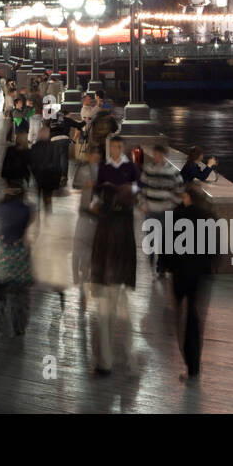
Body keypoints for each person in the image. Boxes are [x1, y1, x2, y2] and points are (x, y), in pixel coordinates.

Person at [88, 134, 139, 374]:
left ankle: (106, 362)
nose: (115, 150)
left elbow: (98, 251)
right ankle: (125, 360)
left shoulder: (104, 225)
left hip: (109, 275)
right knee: (121, 317)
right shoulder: (125, 225)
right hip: (117, 276)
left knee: (107, 318)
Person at [167, 186, 216, 378]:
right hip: (200, 276)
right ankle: (194, 364)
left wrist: (168, 265)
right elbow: (213, 248)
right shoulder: (208, 217)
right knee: (195, 320)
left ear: (187, 197)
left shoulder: (176, 216)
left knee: (180, 318)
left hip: (180, 274)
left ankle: (189, 361)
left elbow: (167, 246)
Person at [0, 182, 35, 336]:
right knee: (20, 294)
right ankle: (19, 325)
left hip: (1, 253)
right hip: (19, 253)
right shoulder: (27, 210)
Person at [139, 144, 183, 276]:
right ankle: (152, 262)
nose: (157, 157)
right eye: (156, 154)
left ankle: (161, 267)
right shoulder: (148, 170)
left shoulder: (173, 172)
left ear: (165, 156)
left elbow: (179, 190)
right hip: (151, 210)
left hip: (166, 211)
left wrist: (173, 204)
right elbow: (141, 189)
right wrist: (143, 204)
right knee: (151, 239)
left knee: (165, 240)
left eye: (160, 154)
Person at [71, 143, 103, 298]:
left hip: (96, 213)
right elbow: (74, 183)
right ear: (89, 155)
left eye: (98, 154)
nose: (96, 157)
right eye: (94, 154)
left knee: (93, 245)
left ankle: (88, 272)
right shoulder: (83, 168)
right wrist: (86, 184)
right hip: (84, 211)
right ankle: (78, 272)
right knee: (79, 243)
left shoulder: (103, 171)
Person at [28, 124, 65, 214]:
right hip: (49, 176)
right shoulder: (53, 146)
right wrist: (59, 177)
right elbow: (57, 163)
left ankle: (37, 215)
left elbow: (31, 161)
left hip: (38, 175)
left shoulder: (34, 146)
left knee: (38, 194)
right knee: (47, 197)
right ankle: (48, 216)